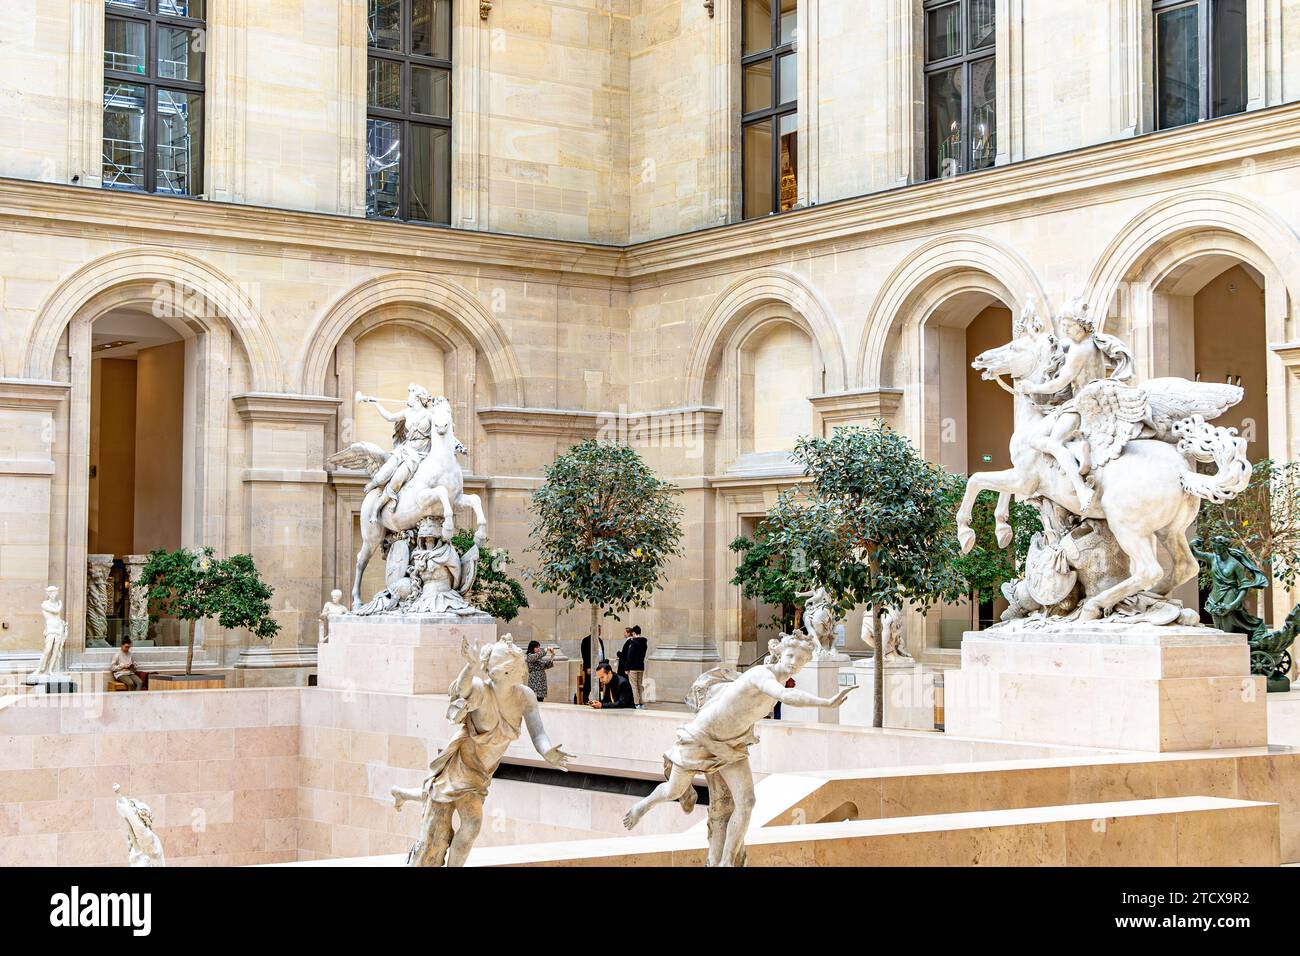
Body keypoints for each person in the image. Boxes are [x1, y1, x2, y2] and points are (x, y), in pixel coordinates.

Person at [622, 632, 854, 866]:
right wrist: (825, 702)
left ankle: (726, 861)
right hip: (702, 737)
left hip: (731, 745)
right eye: (791, 655)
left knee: (747, 802)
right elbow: (785, 695)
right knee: (673, 791)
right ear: (779, 653)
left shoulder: (778, 681)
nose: (794, 662)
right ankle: (642, 806)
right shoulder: (762, 675)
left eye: (801, 659)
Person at [390, 636, 573, 866]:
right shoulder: (481, 690)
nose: (521, 671)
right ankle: (403, 796)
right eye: (516, 667)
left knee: (471, 826)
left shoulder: (524, 696)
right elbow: (464, 688)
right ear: (500, 671)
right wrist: (470, 665)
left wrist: (546, 751)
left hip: (481, 774)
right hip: (460, 766)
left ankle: (402, 794)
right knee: (432, 839)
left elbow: (538, 734)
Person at [617, 625, 649, 708]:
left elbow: (629, 656)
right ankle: (642, 703)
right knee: (639, 685)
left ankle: (636, 703)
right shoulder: (644, 642)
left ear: (634, 633)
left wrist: (626, 668)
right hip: (641, 667)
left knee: (634, 686)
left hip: (633, 667)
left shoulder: (633, 642)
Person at [580, 627, 606, 704]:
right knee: (588, 682)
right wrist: (588, 666)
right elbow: (584, 655)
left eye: (600, 630)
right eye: (598, 630)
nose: (600, 632)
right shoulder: (586, 640)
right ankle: (585, 699)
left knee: (598, 681)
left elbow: (601, 652)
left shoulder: (600, 640)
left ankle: (597, 698)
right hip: (590, 666)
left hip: (600, 665)